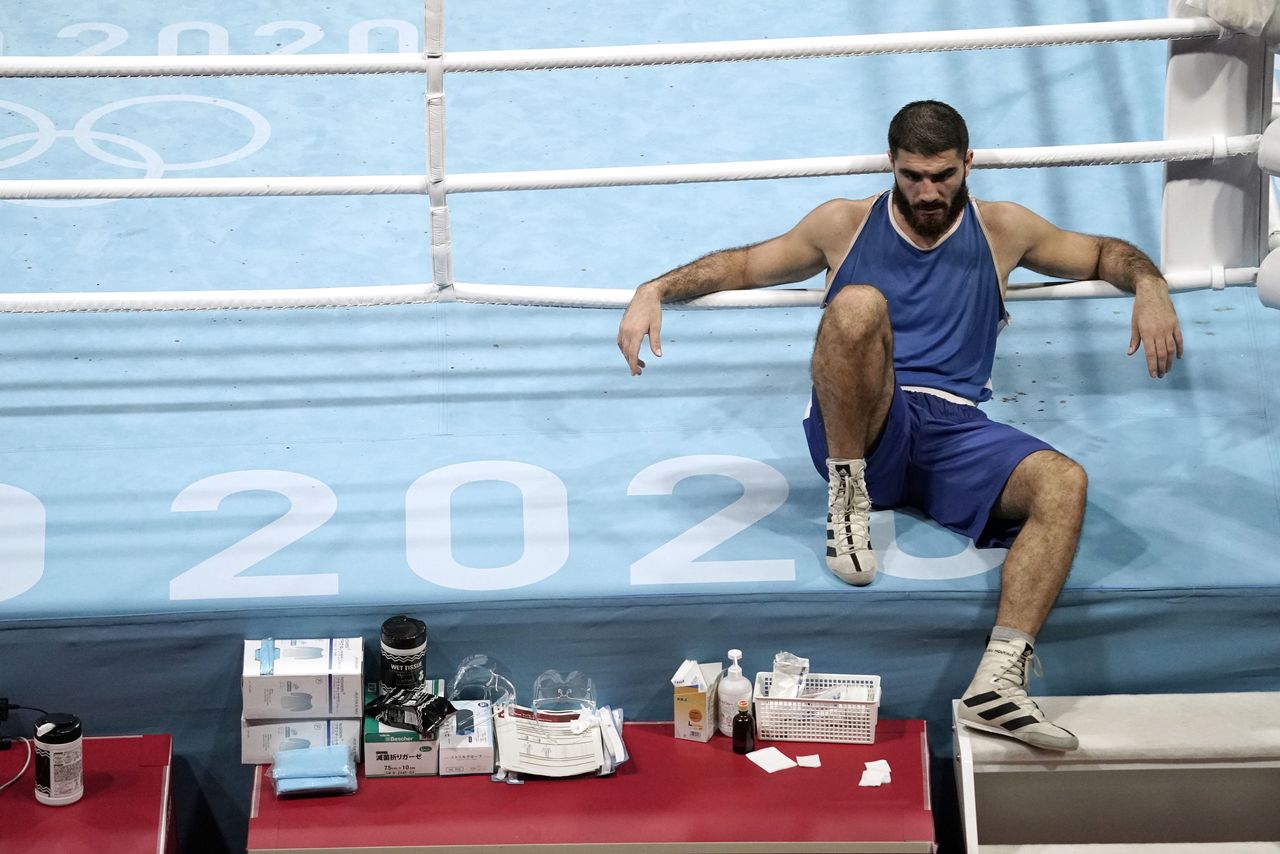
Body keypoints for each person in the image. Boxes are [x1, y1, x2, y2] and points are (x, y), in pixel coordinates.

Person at [616, 100, 1182, 751]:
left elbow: (1104, 253)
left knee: (1063, 482)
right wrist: (652, 290)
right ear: (893, 164)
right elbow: (743, 265)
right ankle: (848, 496)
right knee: (857, 303)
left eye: (942, 175)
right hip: (864, 420)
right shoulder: (845, 224)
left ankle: (998, 684)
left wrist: (1150, 286)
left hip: (958, 431)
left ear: (967, 165)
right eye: (914, 175)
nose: (928, 190)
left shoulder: (1003, 229)